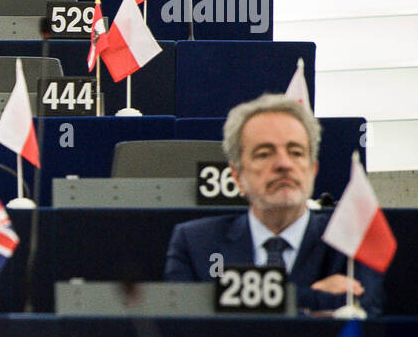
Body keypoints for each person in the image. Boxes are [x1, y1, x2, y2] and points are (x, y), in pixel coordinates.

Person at [164, 93, 386, 316]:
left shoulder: (352, 240)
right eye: (264, 154)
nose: (283, 164)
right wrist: (309, 298)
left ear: (313, 170)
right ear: (237, 176)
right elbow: (182, 328)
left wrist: (235, 302)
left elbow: (367, 316)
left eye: (296, 152)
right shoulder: (195, 243)